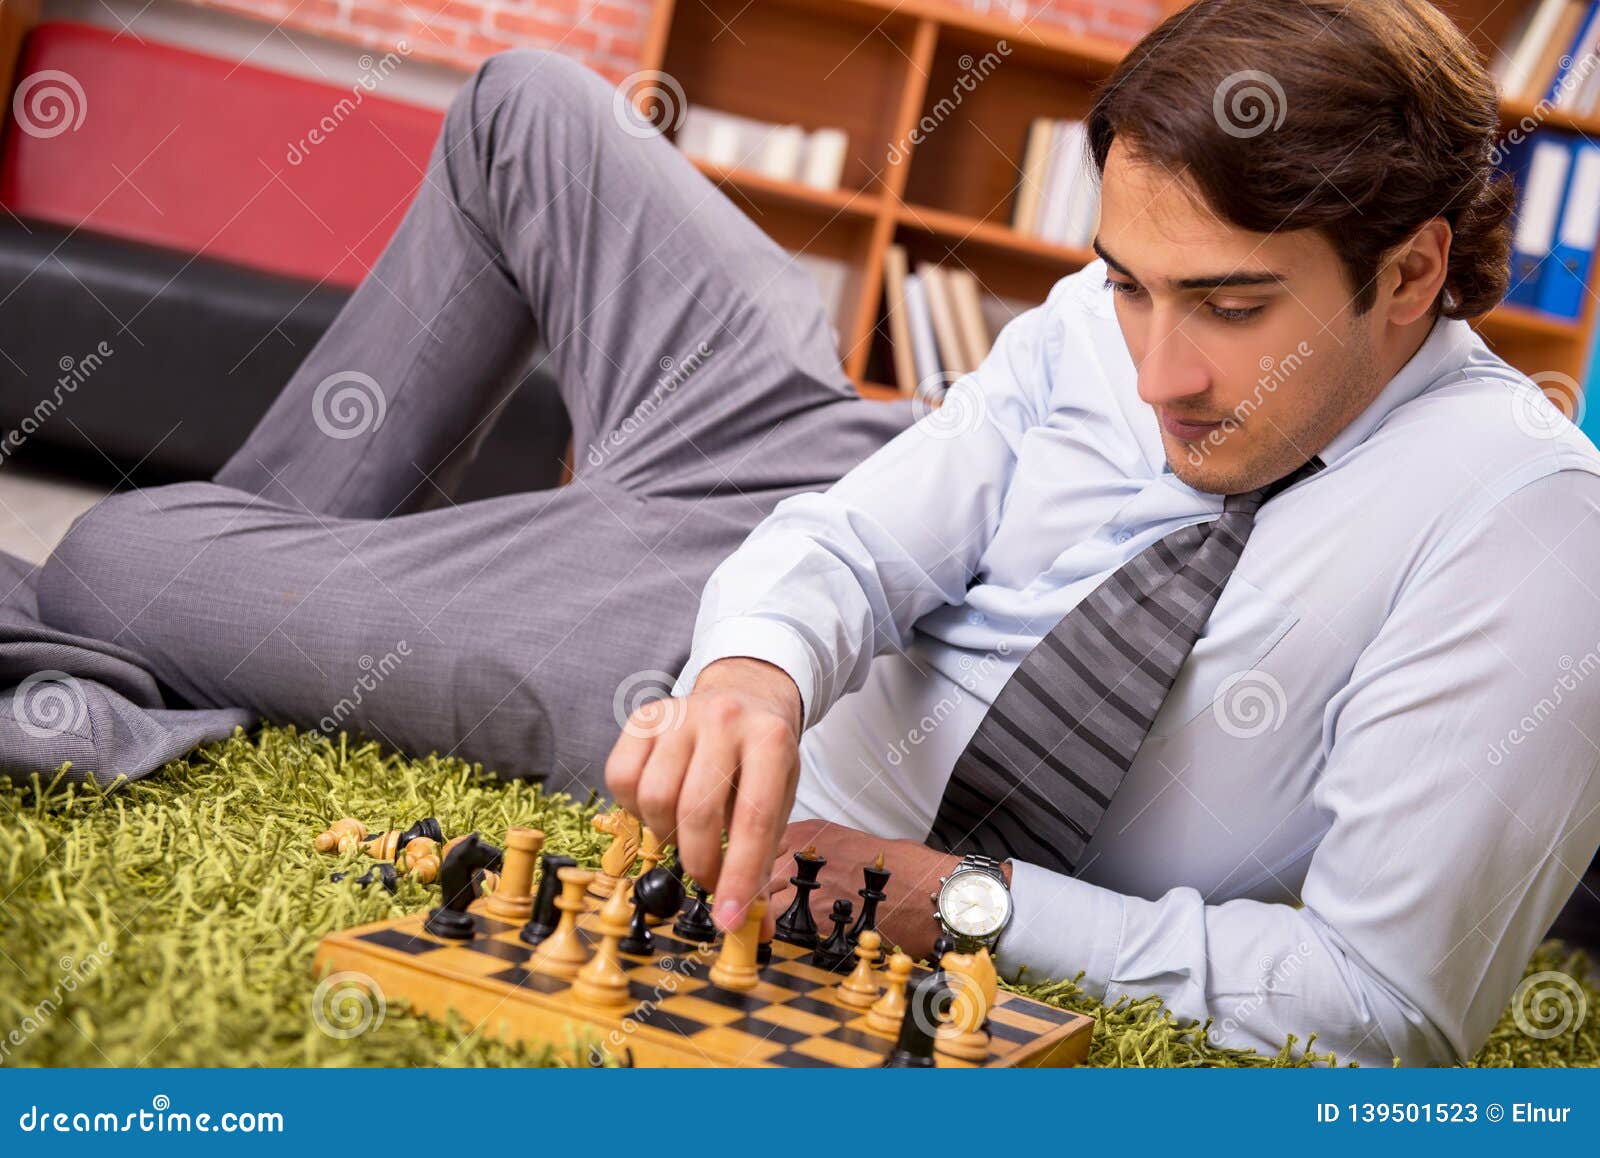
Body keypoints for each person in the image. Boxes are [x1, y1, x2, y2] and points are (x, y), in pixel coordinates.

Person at [604, 0, 1600, 1066]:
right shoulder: (1091, 315)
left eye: (1230, 307)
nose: (1153, 376)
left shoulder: (1536, 526)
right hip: (702, 680)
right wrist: (752, 676)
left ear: (1408, 273)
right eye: (1131, 284)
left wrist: (956, 901)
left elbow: (1377, 1002)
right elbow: (851, 544)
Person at [7, 46, 910, 788]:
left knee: (114, 558)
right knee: (521, 103)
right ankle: (245, 602)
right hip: (854, 444)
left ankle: (212, 614)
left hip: (785, 608)